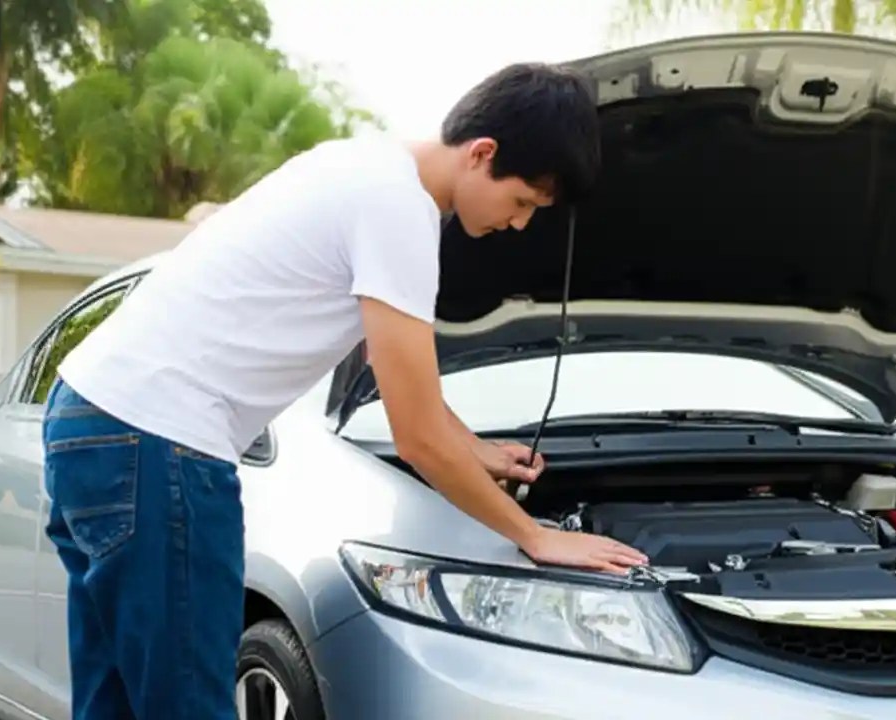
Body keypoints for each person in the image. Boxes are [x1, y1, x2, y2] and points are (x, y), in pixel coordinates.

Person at [41, 62, 649, 720]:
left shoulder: (361, 166)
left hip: (88, 422)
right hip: (159, 446)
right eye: (524, 202)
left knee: (114, 706)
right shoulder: (401, 213)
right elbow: (416, 437)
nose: (520, 224)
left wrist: (473, 448)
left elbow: (401, 379)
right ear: (483, 154)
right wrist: (536, 537)